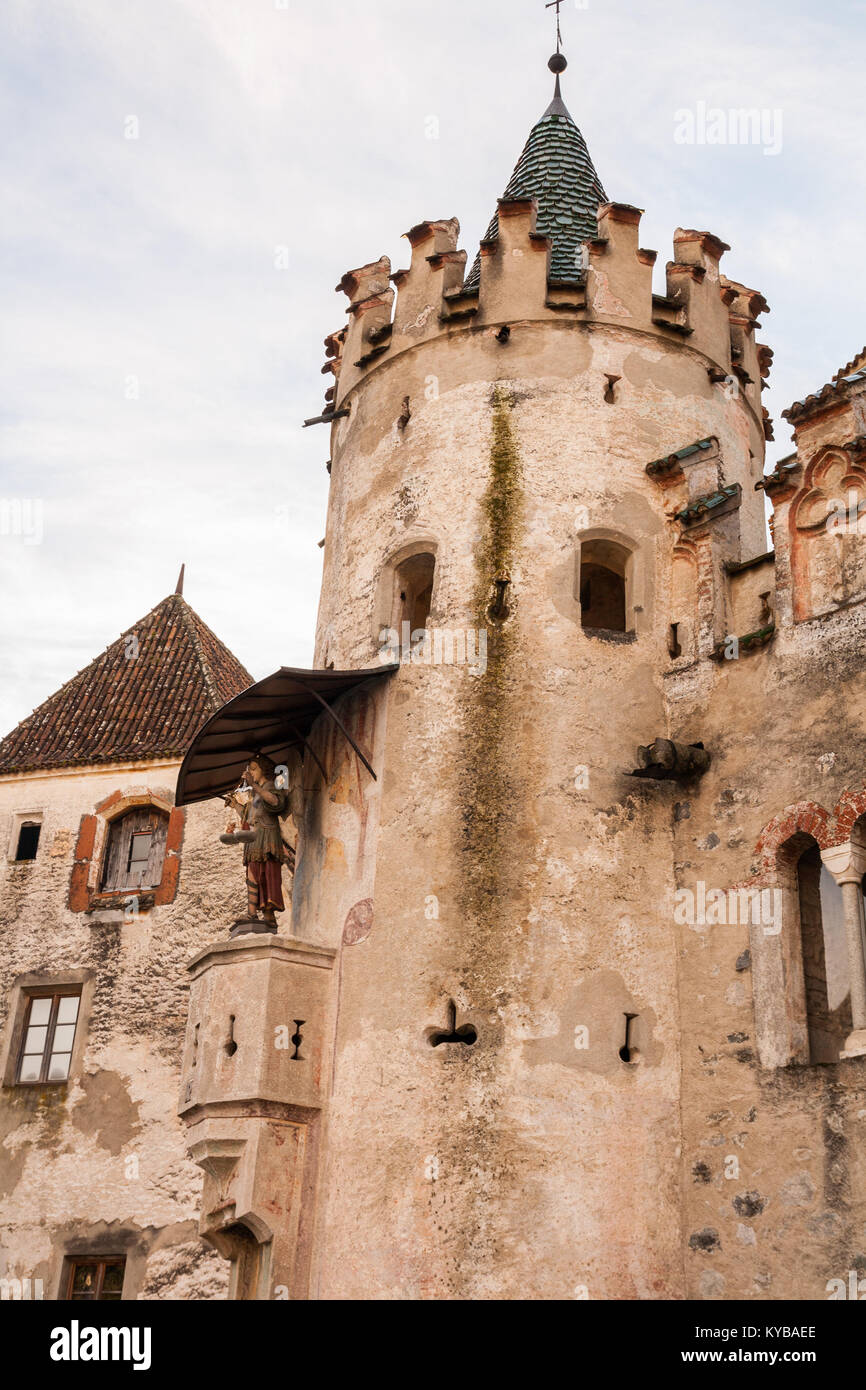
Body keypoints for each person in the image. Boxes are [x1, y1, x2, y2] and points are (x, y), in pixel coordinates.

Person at [241, 753, 292, 928]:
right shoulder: (254, 794)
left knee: (265, 873)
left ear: (264, 769)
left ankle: (268, 913)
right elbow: (250, 816)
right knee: (252, 873)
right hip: (254, 838)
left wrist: (254, 785)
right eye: (250, 770)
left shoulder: (270, 786)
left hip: (268, 836)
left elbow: (277, 802)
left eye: (254, 769)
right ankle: (251, 913)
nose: (251, 772)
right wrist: (235, 806)